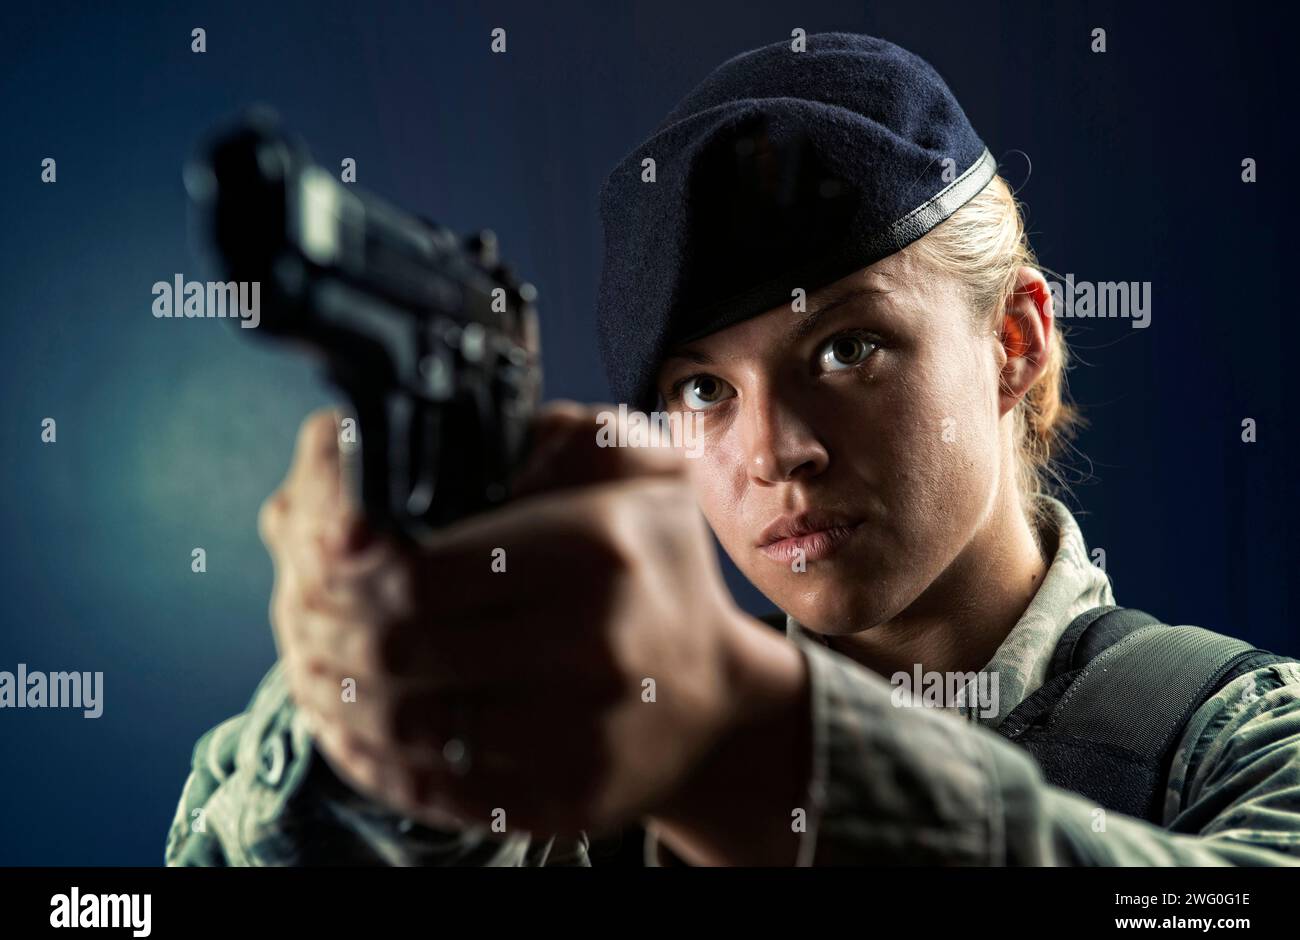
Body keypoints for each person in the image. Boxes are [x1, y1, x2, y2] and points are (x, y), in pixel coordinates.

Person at [166, 32, 1300, 866]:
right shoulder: (585, 779)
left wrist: (738, 748)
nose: (777, 450)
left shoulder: (1240, 741)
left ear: (1012, 342)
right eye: (702, 388)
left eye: (849, 346)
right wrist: (385, 714)